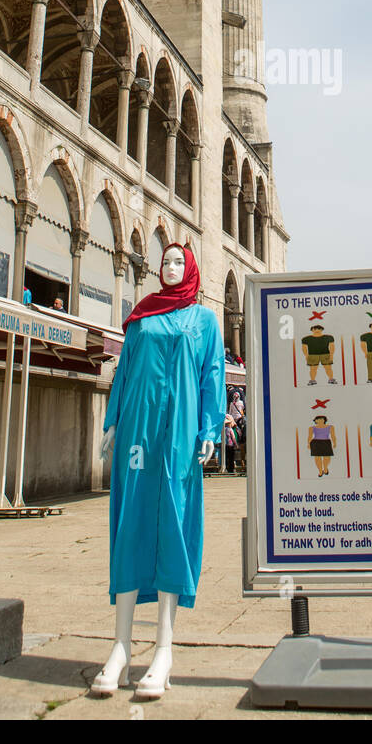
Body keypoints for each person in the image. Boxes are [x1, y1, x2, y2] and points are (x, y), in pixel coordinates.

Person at [92, 244, 225, 698]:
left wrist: (210, 427)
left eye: (177, 262)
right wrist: (112, 421)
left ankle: (163, 649)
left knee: (173, 520)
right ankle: (121, 647)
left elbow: (211, 375)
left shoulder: (205, 322)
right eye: (163, 261)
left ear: (189, 270)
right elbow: (124, 373)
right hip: (137, 431)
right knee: (130, 525)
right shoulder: (141, 318)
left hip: (180, 434)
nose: (168, 267)